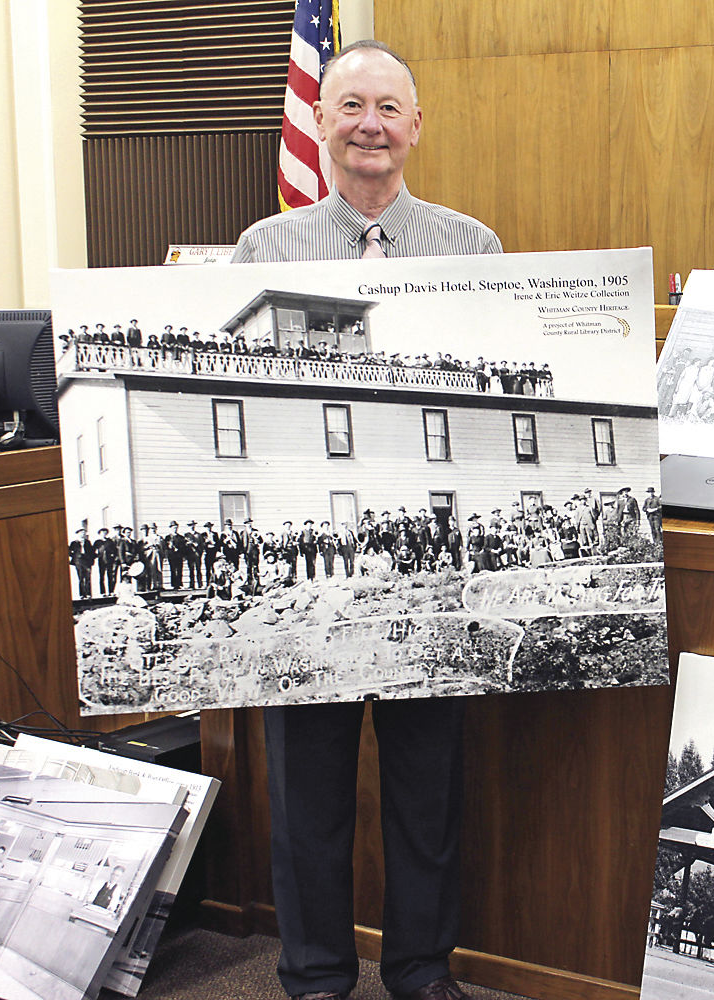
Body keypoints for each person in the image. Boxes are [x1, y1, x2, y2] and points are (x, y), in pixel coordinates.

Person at [232, 38, 499, 1000]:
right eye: (351, 106)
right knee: (306, 790)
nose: (370, 126)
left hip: (431, 569)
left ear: (416, 126)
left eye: (388, 108)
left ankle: (422, 970)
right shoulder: (263, 250)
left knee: (429, 789)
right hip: (310, 573)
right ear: (319, 119)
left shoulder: (474, 250)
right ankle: (313, 974)